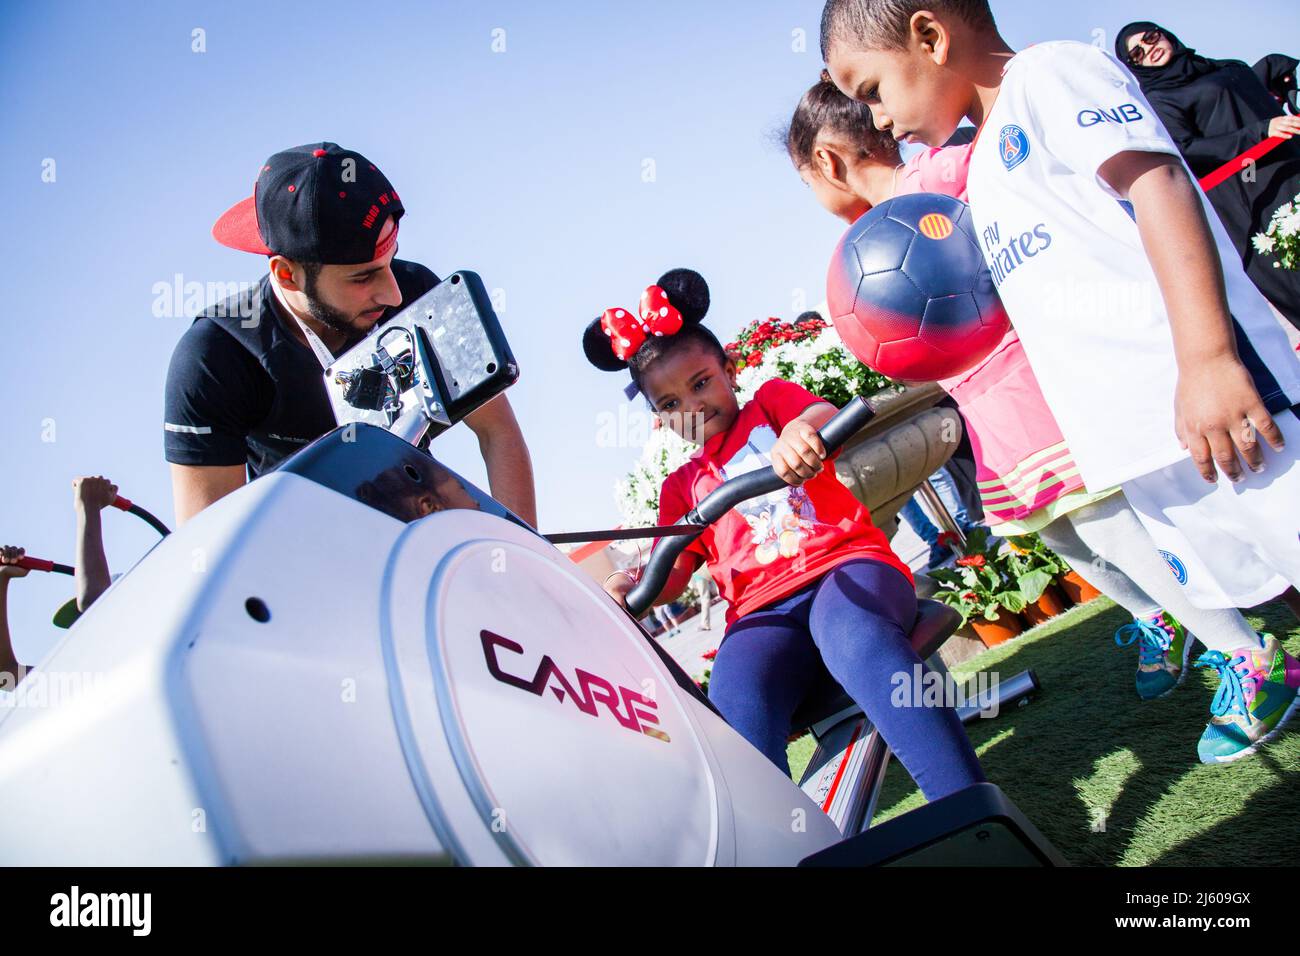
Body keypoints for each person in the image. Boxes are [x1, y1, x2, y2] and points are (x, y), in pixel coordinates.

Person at [821, 0, 1300, 763]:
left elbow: (1160, 187)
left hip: (1225, 409)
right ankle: (1263, 666)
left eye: (872, 88)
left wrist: (1208, 359)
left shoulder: (1048, 75)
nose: (878, 119)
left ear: (929, 36)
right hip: (1149, 447)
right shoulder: (979, 172)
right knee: (1249, 586)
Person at [588, 268, 985, 797]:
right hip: (761, 612)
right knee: (734, 697)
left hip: (846, 568)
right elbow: (669, 571)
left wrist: (801, 432)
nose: (692, 406)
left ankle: (968, 806)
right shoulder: (681, 488)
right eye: (670, 403)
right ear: (659, 418)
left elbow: (820, 414)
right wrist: (628, 586)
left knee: (854, 634)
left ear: (730, 370)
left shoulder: (770, 405)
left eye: (700, 383)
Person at [164, 143, 536, 527]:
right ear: (287, 274)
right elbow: (209, 542)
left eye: (389, 263)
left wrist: (524, 556)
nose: (392, 294)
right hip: (306, 556)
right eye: (362, 277)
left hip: (423, 525)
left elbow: (498, 432)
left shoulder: (415, 293)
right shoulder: (216, 357)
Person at [1115, 22, 1300, 333]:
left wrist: (1274, 69)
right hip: (1253, 192)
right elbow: (1187, 148)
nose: (1149, 49)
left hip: (1289, 167)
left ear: (1164, 33)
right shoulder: (1161, 98)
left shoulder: (1222, 66)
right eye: (1137, 54)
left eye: (1150, 37)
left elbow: (1235, 96)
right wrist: (1260, 132)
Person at [0, 476, 120, 687]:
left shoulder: (138, 656)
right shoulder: (81, 683)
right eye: (78, 625)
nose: (81, 630)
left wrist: (88, 507)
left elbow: (96, 602)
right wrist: (2, 578)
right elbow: (4, 674)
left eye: (84, 619)